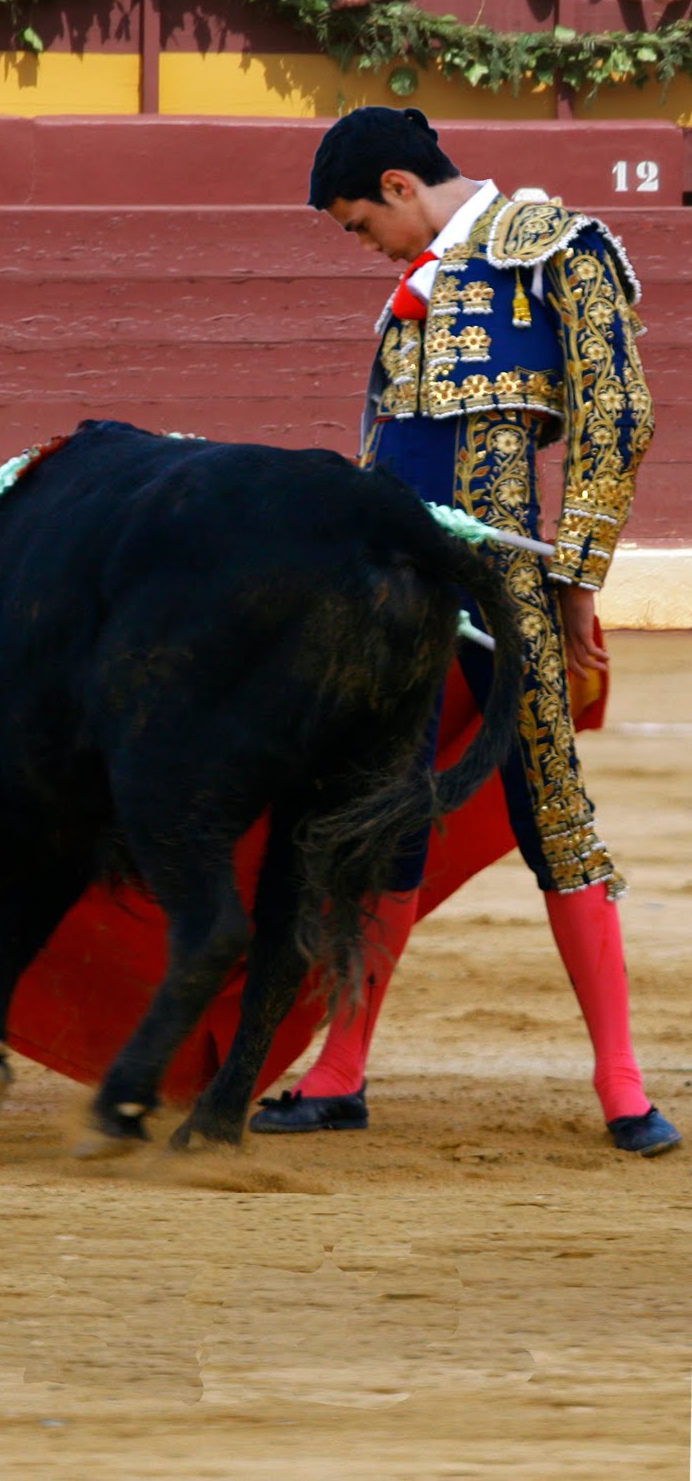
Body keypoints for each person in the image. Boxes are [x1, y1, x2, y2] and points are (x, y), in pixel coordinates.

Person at [249, 106, 681, 1156]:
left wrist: (575, 581)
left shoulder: (556, 249)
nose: (367, 247)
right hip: (388, 599)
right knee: (379, 818)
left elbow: (615, 411)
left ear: (400, 186)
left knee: (554, 821)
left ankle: (622, 1087)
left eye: (361, 225)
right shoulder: (414, 295)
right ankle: (340, 1072)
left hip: (501, 597)